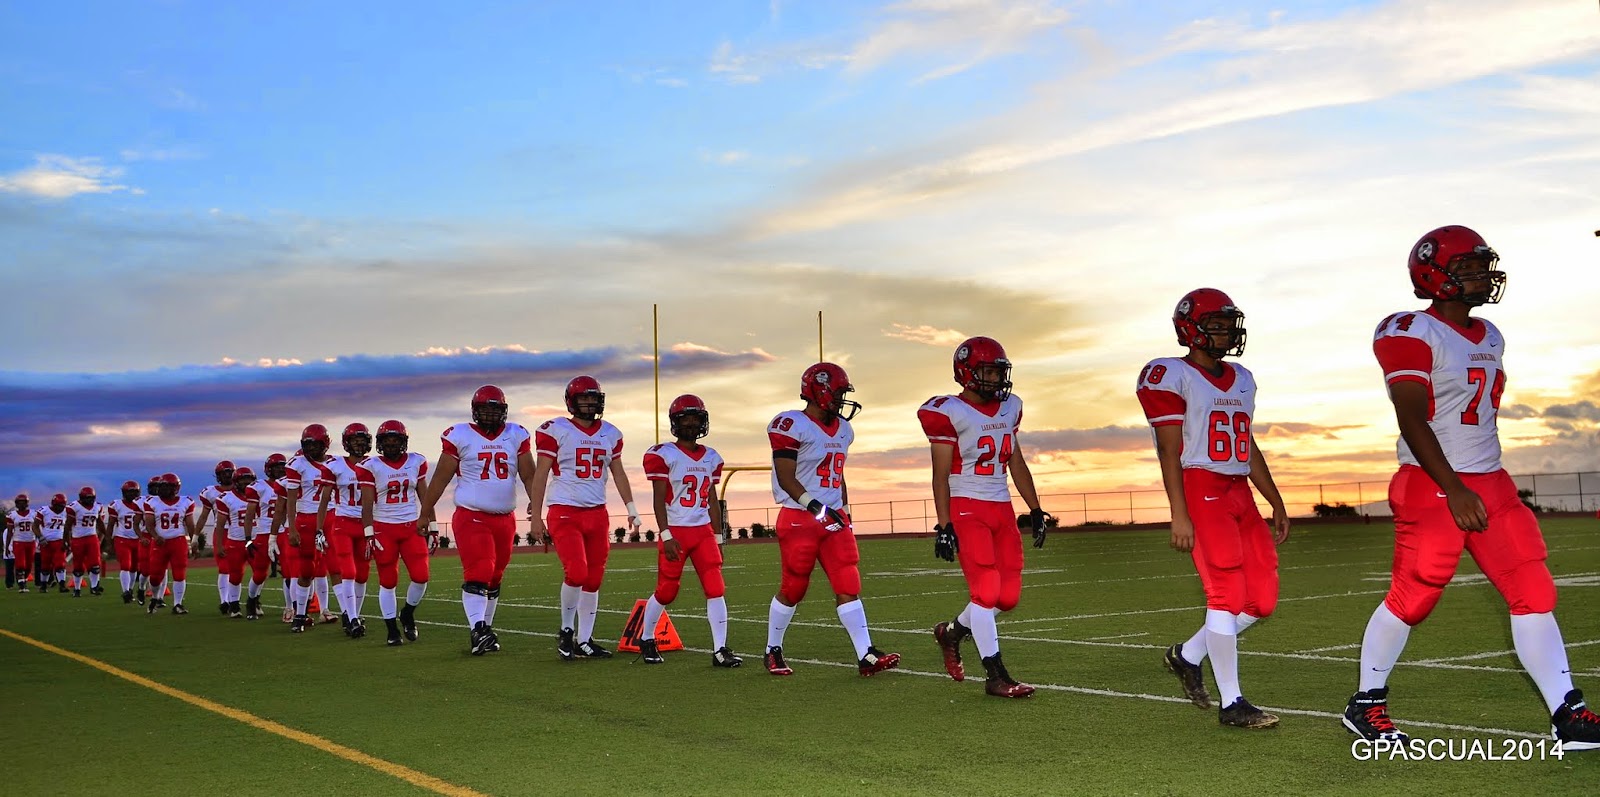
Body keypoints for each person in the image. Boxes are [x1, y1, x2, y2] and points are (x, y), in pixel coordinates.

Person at [1343, 225, 1599, 750]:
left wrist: (1475, 483)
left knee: (1533, 590)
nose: (1483, 274)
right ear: (1434, 275)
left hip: (1491, 478)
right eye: (1469, 267)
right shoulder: (1408, 329)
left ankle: (1567, 714)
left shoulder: (1492, 334)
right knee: (1413, 596)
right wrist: (1454, 487)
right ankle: (1365, 702)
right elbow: (1412, 416)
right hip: (1432, 481)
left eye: (1484, 264)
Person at [1135, 290, 1290, 729]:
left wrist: (1273, 498)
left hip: (1237, 488)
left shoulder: (1242, 377)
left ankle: (1187, 655)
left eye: (1228, 325)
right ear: (1190, 329)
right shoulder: (1169, 374)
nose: (1225, 334)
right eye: (1216, 325)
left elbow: (1248, 444)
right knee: (1224, 594)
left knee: (1261, 601)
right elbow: (1169, 451)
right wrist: (1178, 512)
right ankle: (1232, 703)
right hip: (1199, 484)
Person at [922, 336, 1052, 698]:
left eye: (998, 372)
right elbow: (940, 475)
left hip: (1001, 507)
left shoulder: (1011, 407)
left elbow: (1015, 461)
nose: (995, 379)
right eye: (988, 372)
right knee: (985, 593)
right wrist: (944, 524)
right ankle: (996, 676)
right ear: (967, 373)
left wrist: (1036, 508)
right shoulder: (948, 411)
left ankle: (951, 633)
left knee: (1007, 598)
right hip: (967, 506)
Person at [763, 363, 899, 677]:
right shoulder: (790, 423)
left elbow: (838, 476)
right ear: (820, 390)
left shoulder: (843, 429)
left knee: (848, 580)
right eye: (837, 393)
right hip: (800, 516)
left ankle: (866, 654)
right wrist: (817, 509)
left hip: (833, 516)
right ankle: (773, 649)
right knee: (794, 588)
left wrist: (845, 512)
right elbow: (786, 478)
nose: (841, 400)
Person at [528, 375, 641, 660]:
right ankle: (566, 631)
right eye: (584, 398)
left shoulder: (611, 434)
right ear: (571, 402)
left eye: (593, 398)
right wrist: (535, 516)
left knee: (594, 578)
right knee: (576, 572)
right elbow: (541, 474)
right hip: (564, 510)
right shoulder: (556, 430)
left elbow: (618, 473)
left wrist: (631, 508)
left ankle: (586, 639)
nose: (590, 403)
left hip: (597, 512)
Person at [419, 385, 538, 655]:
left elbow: (528, 475)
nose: (489, 414)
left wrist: (536, 502)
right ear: (475, 411)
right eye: (484, 409)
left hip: (505, 517)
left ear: (504, 411)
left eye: (495, 409)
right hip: (471, 515)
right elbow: (440, 478)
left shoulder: (515, 435)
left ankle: (483, 630)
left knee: (496, 575)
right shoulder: (460, 435)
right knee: (480, 570)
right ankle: (478, 629)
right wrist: (425, 512)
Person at [637, 394, 740, 667]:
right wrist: (665, 534)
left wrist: (718, 537)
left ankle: (720, 649)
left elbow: (712, 501)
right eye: (686, 418)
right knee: (667, 591)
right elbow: (659, 499)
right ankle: (647, 637)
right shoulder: (664, 454)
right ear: (676, 422)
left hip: (702, 530)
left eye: (697, 418)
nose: (692, 424)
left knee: (716, 588)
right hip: (677, 531)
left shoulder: (711, 457)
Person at [365, 419, 436, 646]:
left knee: (421, 576)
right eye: (387, 440)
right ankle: (391, 629)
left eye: (396, 440)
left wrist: (432, 525)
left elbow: (425, 496)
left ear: (404, 442)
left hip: (411, 526)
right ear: (380, 443)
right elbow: (366, 505)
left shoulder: (416, 462)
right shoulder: (371, 466)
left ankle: (407, 613)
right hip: (383, 527)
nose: (392, 444)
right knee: (388, 580)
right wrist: (369, 533)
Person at [318, 423, 377, 637]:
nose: (359, 444)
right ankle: (352, 618)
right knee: (349, 572)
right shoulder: (335, 466)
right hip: (343, 523)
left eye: (362, 440)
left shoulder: (375, 464)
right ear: (346, 443)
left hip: (367, 525)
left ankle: (353, 615)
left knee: (362, 574)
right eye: (354, 440)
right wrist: (318, 530)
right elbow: (324, 501)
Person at [283, 425, 337, 633]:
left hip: (332, 517)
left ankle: (341, 614)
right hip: (306, 518)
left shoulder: (335, 463)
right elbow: (290, 500)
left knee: (333, 568)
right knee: (306, 570)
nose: (311, 449)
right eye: (308, 445)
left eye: (315, 444)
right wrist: (292, 528)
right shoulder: (297, 464)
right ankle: (300, 614)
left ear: (325, 444)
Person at [144, 473, 197, 614]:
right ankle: (155, 597)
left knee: (179, 573)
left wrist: (194, 541)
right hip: (160, 542)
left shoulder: (186, 501)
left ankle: (178, 604)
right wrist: (155, 536)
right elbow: (149, 524)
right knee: (155, 576)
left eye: (166, 486)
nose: (162, 489)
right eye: (161, 486)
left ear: (175, 488)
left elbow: (190, 525)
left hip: (178, 541)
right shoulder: (151, 502)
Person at [214, 466, 261, 619]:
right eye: (243, 480)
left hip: (255, 540)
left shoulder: (259, 494)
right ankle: (234, 605)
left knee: (260, 573)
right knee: (235, 575)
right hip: (235, 541)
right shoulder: (226, 498)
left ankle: (254, 600)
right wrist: (220, 544)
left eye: (249, 479)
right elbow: (220, 524)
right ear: (236, 481)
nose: (246, 483)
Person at [192, 460, 236, 614]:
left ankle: (252, 599)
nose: (227, 475)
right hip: (221, 532)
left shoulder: (244, 489)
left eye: (229, 472)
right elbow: (203, 516)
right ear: (218, 476)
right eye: (224, 473)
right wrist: (195, 537)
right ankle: (225, 601)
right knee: (224, 568)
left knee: (242, 569)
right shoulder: (210, 492)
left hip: (240, 532)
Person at [107, 481, 145, 603]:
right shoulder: (116, 505)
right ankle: (125, 591)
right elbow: (111, 525)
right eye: (130, 492)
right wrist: (109, 542)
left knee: (134, 567)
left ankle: (130, 589)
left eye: (135, 492)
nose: (132, 494)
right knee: (125, 565)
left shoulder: (143, 504)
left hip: (138, 539)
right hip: (122, 538)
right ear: (124, 493)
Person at [65, 486, 107, 597]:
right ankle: (77, 589)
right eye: (88, 498)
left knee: (95, 565)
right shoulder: (74, 507)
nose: (90, 500)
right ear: (82, 498)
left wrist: (108, 536)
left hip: (92, 537)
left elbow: (100, 523)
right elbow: (67, 526)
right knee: (78, 567)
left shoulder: (97, 507)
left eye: (92, 498)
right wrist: (66, 541)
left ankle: (94, 587)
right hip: (78, 538)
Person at [37, 494, 70, 593]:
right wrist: (40, 537)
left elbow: (67, 528)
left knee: (60, 564)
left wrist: (67, 541)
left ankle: (62, 585)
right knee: (45, 565)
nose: (61, 508)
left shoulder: (66, 512)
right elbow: (34, 526)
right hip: (46, 542)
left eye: (62, 506)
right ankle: (43, 585)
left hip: (59, 540)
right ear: (53, 504)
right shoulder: (44, 511)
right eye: (59, 506)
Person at [7, 494, 39, 593]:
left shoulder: (34, 513)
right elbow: (9, 531)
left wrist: (40, 538)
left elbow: (38, 528)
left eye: (23, 502)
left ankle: (23, 580)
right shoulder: (12, 515)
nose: (21, 504)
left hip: (31, 541)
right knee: (20, 564)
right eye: (19, 502)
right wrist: (7, 545)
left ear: (27, 503)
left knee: (28, 566)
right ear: (16, 503)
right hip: (18, 542)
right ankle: (21, 585)